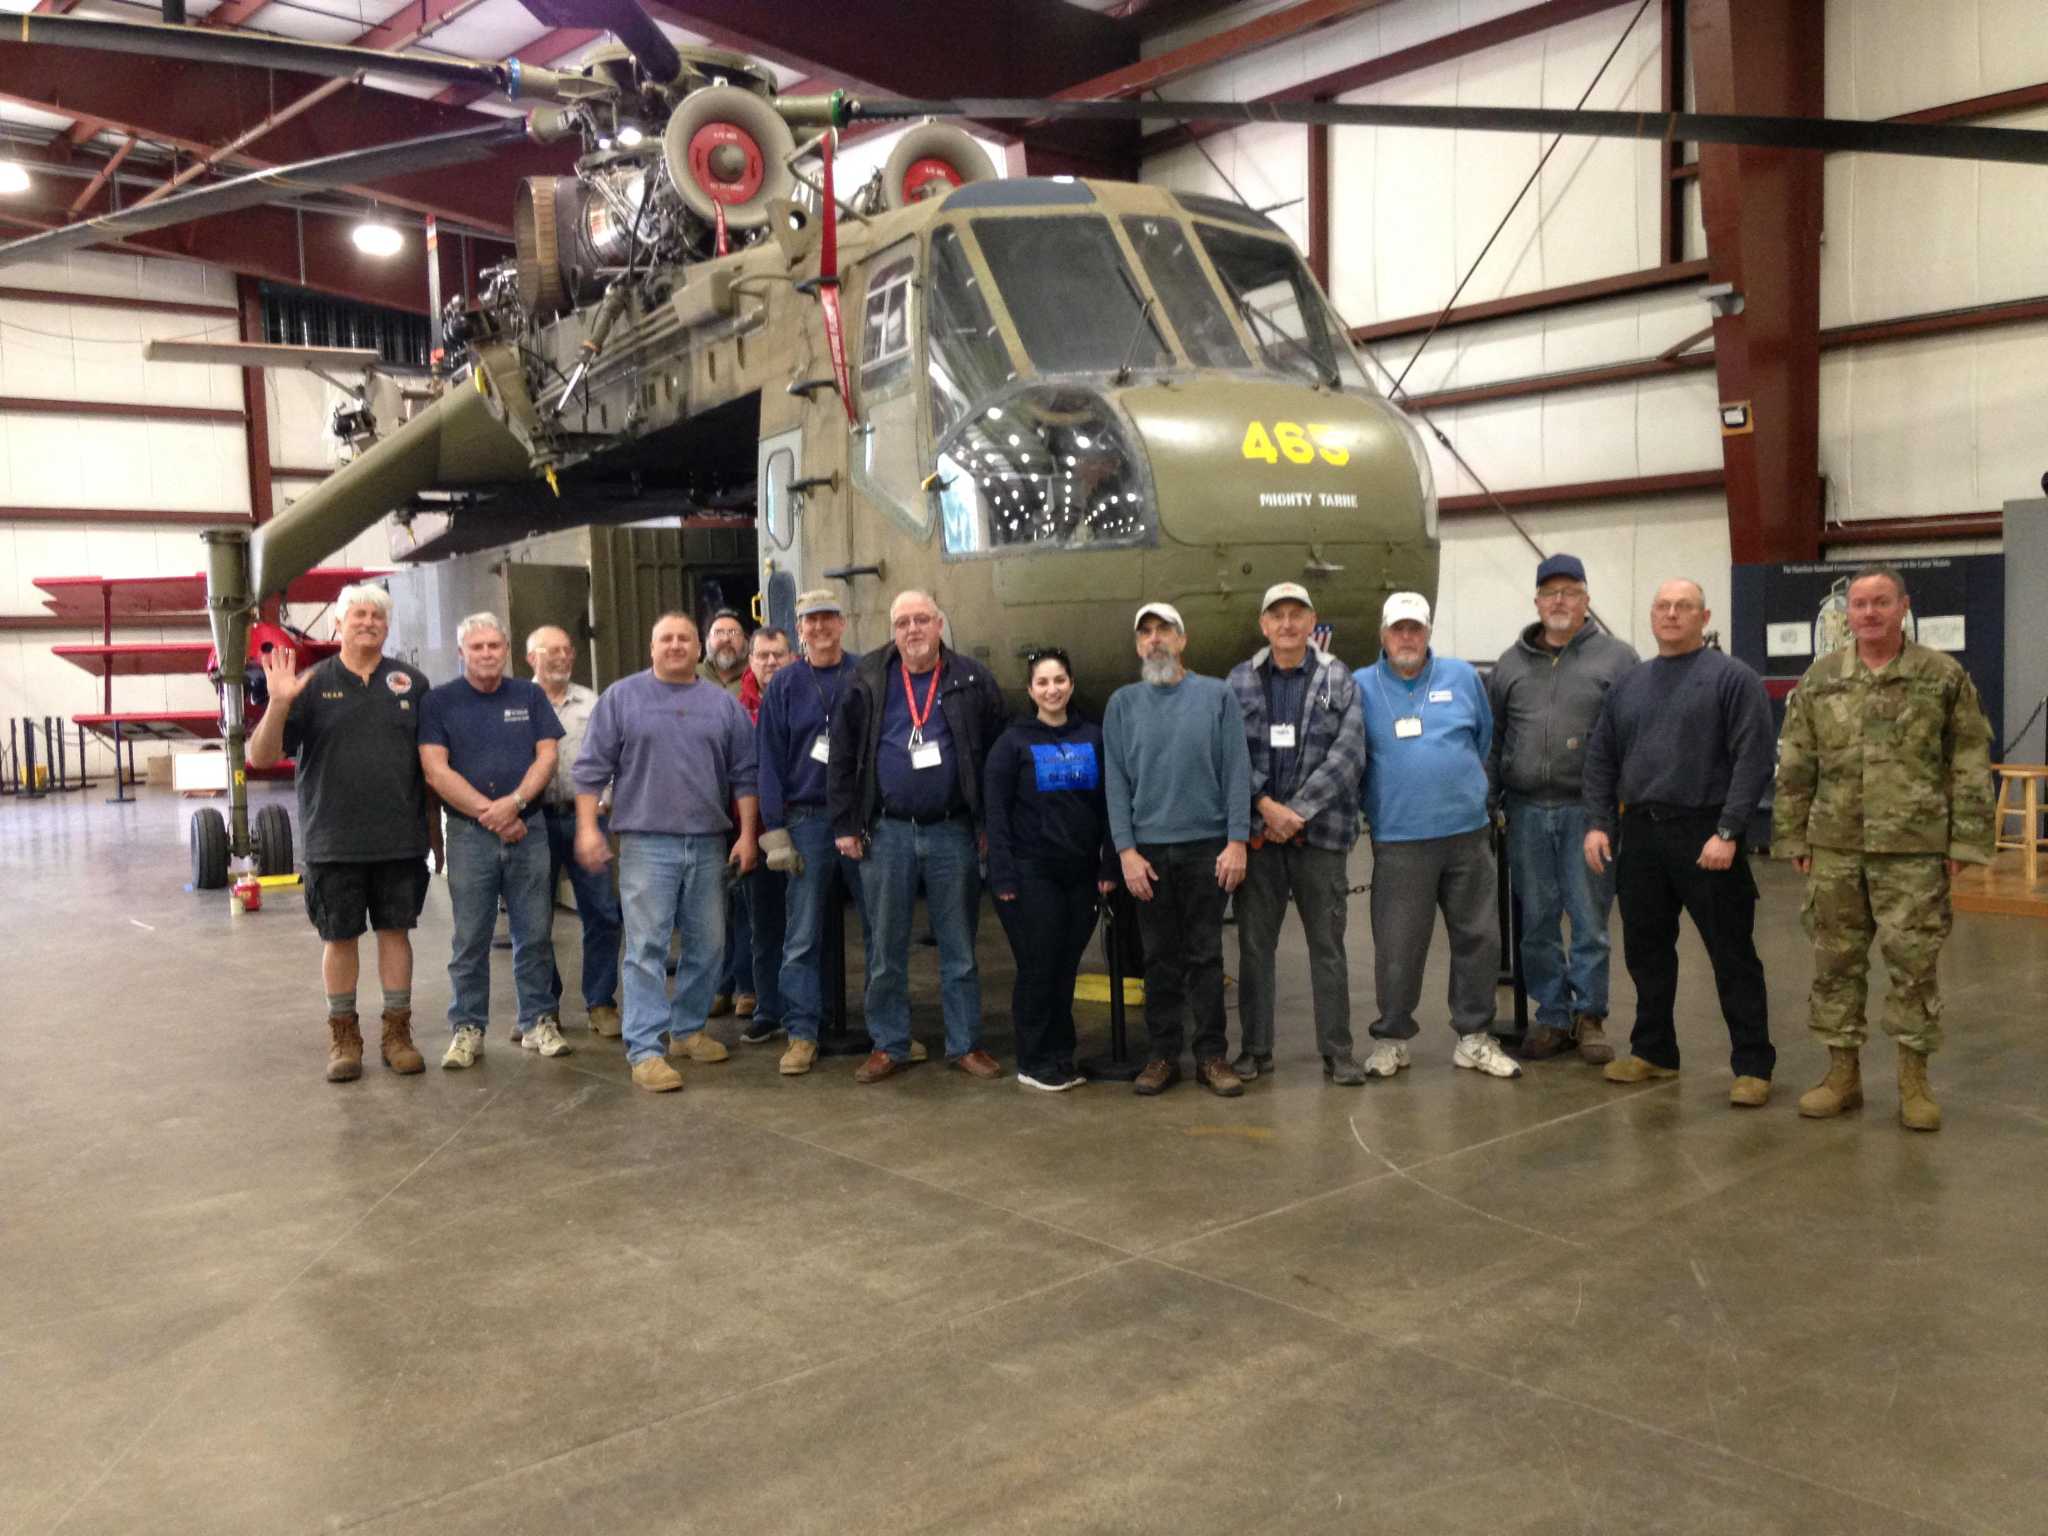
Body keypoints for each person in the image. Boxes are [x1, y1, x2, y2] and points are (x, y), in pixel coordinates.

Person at [1772, 563, 1994, 1132]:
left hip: (1914, 848)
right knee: (1835, 962)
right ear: (1848, 615)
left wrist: (1965, 838)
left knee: (1913, 965)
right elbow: (1797, 761)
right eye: (1860, 604)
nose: (1869, 612)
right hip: (1836, 846)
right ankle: (1841, 1076)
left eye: (1881, 602)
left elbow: (1968, 758)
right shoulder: (1821, 679)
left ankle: (1913, 1082)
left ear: (1903, 607)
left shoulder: (1941, 676)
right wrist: (1794, 833)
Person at [1583, 579, 1776, 1105]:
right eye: (1663, 606)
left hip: (1707, 832)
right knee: (1646, 952)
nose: (1671, 614)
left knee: (1731, 954)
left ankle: (1754, 1064)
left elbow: (1753, 759)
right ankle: (1655, 1051)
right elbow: (1602, 757)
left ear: (1703, 615)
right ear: (1652, 615)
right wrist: (1600, 823)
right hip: (1642, 833)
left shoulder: (1731, 679)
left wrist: (1730, 831)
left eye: (1683, 606)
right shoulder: (1631, 683)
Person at [248, 583, 438, 1082]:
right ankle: (344, 1036)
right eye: (358, 614)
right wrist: (278, 704)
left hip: (399, 839)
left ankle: (397, 1034)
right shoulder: (307, 685)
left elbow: (432, 765)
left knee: (396, 933)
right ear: (338, 623)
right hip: (332, 840)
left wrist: (435, 839)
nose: (368, 622)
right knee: (340, 937)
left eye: (377, 615)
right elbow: (261, 757)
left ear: (387, 625)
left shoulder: (412, 683)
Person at [573, 612, 759, 1093]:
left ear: (698, 649)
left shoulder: (722, 705)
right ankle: (645, 1049)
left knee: (709, 943)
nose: (676, 645)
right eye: (666, 639)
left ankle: (688, 1030)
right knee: (647, 947)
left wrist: (747, 834)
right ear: (652, 648)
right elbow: (590, 771)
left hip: (708, 841)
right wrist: (588, 829)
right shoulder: (622, 698)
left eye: (684, 638)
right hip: (645, 843)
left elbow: (745, 774)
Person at [828, 589, 1006, 1084]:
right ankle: (889, 1043)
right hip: (887, 833)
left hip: (953, 832)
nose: (913, 629)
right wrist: (845, 825)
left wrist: (989, 824)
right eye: (903, 621)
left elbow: (995, 752)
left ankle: (965, 1043)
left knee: (960, 947)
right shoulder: (866, 678)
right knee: (885, 948)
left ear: (940, 624)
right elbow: (842, 757)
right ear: (892, 630)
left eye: (922, 619)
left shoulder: (972, 678)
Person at [1354, 592, 1521, 1081]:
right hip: (1400, 838)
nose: (1407, 637)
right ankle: (1392, 1039)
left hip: (1467, 835)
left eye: (1416, 628)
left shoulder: (1463, 677)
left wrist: (1469, 793)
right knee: (1398, 946)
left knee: (1479, 939)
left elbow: (1485, 739)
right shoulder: (1361, 685)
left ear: (1428, 632)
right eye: (1398, 629)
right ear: (1383, 635)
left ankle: (1473, 1037)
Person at [1486, 553, 1638, 1063]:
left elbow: (1631, 739)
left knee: (1591, 918)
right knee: (1538, 921)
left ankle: (1589, 1015)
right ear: (1536, 601)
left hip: (1588, 814)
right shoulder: (1510, 664)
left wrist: (1614, 810)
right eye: (1550, 592)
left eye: (1570, 591)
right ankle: (1551, 1014)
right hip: (1526, 811)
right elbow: (1494, 737)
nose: (1559, 600)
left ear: (1586, 599)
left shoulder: (1618, 659)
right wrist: (1489, 799)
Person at [1103, 602, 1252, 1098]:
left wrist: (1236, 841)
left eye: (1163, 630)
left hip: (1207, 848)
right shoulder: (1121, 705)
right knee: (1159, 958)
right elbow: (1116, 785)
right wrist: (1126, 852)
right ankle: (1162, 1054)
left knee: (1205, 956)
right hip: (1148, 854)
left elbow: (1236, 771)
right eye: (1144, 632)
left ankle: (1212, 1056)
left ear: (1182, 640)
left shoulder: (1217, 696)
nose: (1154, 639)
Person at [1227, 582, 1368, 1085]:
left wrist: (1298, 812)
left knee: (1328, 950)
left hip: (1320, 839)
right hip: (1260, 840)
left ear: (1313, 623)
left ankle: (1338, 1052)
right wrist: (1266, 807)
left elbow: (1350, 754)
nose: (1287, 624)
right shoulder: (1239, 682)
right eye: (1277, 616)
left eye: (1296, 615)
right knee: (1254, 949)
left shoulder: (1339, 679)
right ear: (1264, 625)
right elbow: (1229, 754)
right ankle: (1254, 1051)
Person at [419, 612, 565, 1068]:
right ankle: (468, 1029)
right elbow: (435, 770)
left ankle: (538, 1021)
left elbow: (548, 756)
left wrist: (516, 803)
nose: (486, 654)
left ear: (507, 651)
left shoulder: (530, 694)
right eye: (477, 647)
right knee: (470, 938)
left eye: (494, 646)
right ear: (462, 652)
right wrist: (494, 814)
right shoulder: (440, 702)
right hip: (469, 835)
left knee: (536, 933)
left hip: (530, 829)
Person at [984, 649, 1118, 1091]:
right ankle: (1034, 1060)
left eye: (1059, 680)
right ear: (1030, 691)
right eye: (1042, 683)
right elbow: (997, 814)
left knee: (1065, 967)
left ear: (1072, 684)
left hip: (1079, 876)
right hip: (1029, 873)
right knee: (1038, 966)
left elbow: (1108, 809)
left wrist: (1108, 865)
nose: (1052, 689)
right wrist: (1001, 874)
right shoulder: (1012, 743)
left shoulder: (1095, 738)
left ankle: (1062, 1055)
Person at [758, 590, 874, 1076]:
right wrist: (775, 829)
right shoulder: (784, 685)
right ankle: (802, 1034)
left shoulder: (867, 675)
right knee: (802, 935)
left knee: (879, 930)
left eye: (828, 618)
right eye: (811, 621)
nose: (820, 627)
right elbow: (768, 759)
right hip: (806, 821)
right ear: (799, 629)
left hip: (863, 822)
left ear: (842, 623)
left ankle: (889, 1033)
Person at [525, 623, 622, 1041]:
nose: (563, 657)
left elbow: (617, 753)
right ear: (532, 657)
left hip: (588, 819)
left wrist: (608, 797)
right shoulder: (519, 702)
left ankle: (600, 1002)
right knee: (534, 919)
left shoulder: (593, 702)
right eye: (552, 651)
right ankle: (543, 1009)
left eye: (567, 650)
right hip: (533, 823)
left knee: (602, 913)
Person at [735, 626, 792, 1047]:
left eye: (778, 654)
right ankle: (768, 1009)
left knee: (809, 926)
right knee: (764, 925)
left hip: (803, 827)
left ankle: (814, 1008)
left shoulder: (804, 698)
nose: (770, 662)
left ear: (791, 657)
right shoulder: (735, 709)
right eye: (762, 655)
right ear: (750, 660)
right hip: (753, 832)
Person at [700, 608, 753, 1017]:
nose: (726, 640)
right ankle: (718, 985)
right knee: (709, 906)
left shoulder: (755, 680)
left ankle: (746, 986)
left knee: (746, 902)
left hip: (743, 808)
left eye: (734, 633)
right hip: (701, 809)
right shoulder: (690, 680)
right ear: (707, 641)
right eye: (719, 633)